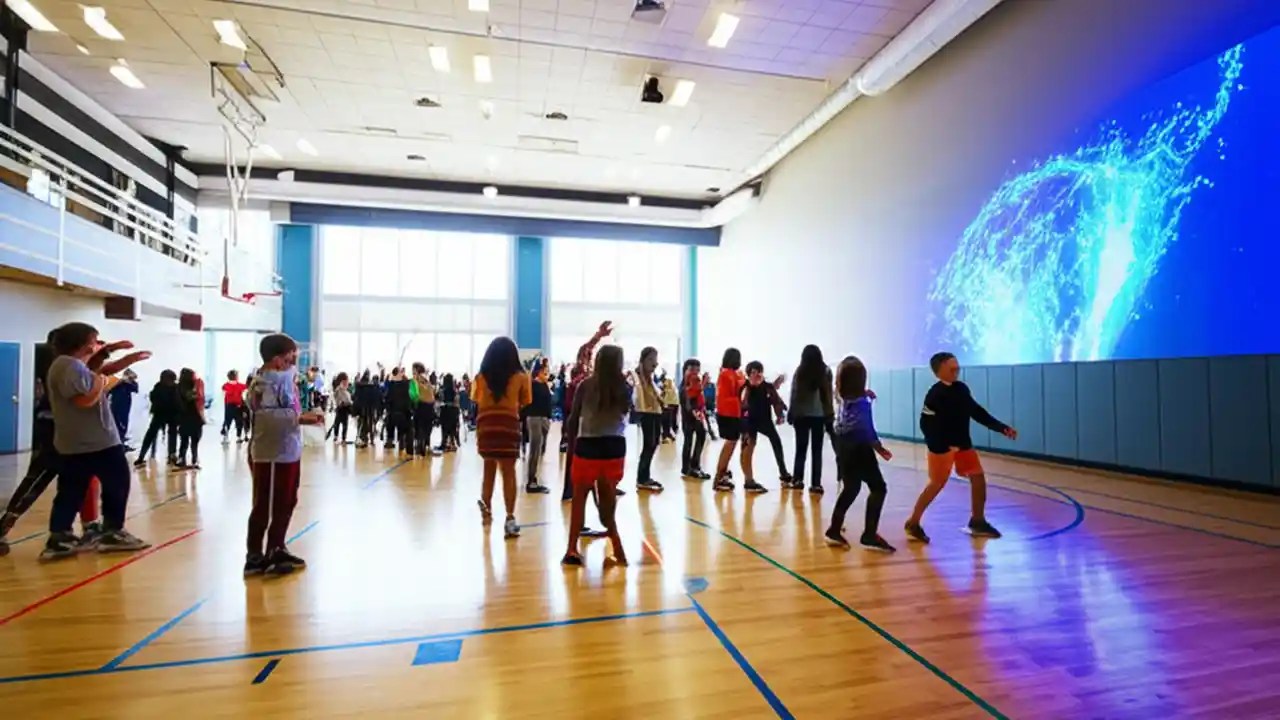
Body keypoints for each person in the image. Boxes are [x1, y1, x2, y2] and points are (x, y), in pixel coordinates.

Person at [40, 322, 152, 560]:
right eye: (94, 341)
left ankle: (60, 536)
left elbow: (96, 370)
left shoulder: (70, 364)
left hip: (79, 442)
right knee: (116, 483)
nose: (97, 345)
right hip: (95, 441)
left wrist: (122, 358)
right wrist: (104, 382)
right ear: (82, 344)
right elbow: (84, 399)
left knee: (72, 490)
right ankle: (111, 531)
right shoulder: (68, 366)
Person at [906, 352, 1017, 542]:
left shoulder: (961, 389)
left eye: (957, 366)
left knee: (978, 477)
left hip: (963, 445)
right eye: (951, 367)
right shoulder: (935, 394)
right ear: (939, 370)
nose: (956, 370)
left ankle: (978, 520)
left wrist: (1001, 428)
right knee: (936, 484)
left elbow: (977, 412)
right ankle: (913, 522)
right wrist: (941, 447)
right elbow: (926, 424)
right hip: (942, 448)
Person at [245, 333, 325, 576]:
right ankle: (256, 555)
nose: (294, 361)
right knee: (266, 504)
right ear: (278, 359)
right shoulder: (265, 383)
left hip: (286, 449)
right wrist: (301, 418)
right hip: (271, 454)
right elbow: (266, 417)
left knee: (286, 501)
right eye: (291, 357)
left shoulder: (282, 378)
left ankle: (276, 547)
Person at [562, 345, 630, 567]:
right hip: (614, 446)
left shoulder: (585, 385)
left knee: (579, 498)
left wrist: (570, 443)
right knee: (607, 498)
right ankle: (618, 547)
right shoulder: (624, 387)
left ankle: (572, 548)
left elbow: (573, 419)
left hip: (588, 444)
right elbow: (628, 413)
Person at [825, 356, 895, 552]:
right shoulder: (863, 403)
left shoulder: (841, 398)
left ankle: (834, 530)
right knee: (878, 488)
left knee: (851, 488)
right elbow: (867, 428)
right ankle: (869, 535)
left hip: (843, 445)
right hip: (860, 447)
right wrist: (879, 448)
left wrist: (863, 393)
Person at [0, 334, 58, 555]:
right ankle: (5, 524)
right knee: (38, 478)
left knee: (70, 484)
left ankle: (65, 530)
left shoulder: (59, 362)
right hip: (52, 429)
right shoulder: (54, 361)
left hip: (60, 429)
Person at [474, 337, 532, 538]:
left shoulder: (481, 377)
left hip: (486, 425)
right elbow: (526, 401)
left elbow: (476, 398)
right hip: (508, 425)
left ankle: (487, 508)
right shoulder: (521, 377)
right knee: (508, 471)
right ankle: (509, 517)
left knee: (488, 468)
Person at [789, 345, 835, 494]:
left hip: (801, 415)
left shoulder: (800, 371)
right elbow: (828, 395)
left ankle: (797, 479)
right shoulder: (825, 371)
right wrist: (830, 415)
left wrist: (792, 411)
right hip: (819, 416)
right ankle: (816, 484)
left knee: (800, 449)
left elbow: (794, 393)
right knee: (817, 450)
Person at [738, 361, 789, 493]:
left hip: (765, 421)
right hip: (749, 422)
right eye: (753, 372)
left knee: (776, 442)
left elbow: (776, 401)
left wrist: (780, 415)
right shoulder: (745, 388)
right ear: (748, 374)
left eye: (759, 372)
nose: (757, 375)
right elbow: (741, 406)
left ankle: (783, 473)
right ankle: (748, 479)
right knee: (747, 448)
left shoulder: (767, 387)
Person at [712, 349, 747, 492]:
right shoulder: (727, 374)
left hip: (731, 412)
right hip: (728, 413)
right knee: (730, 443)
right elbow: (734, 392)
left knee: (731, 443)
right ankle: (719, 476)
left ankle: (723, 472)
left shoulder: (729, 374)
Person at [632, 347, 665, 493]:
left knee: (654, 443)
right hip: (647, 412)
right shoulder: (638, 376)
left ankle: (646, 476)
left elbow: (654, 393)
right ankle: (642, 478)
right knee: (649, 443)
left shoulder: (650, 377)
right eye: (651, 359)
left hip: (655, 412)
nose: (654, 363)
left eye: (655, 359)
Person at [135, 369, 179, 466]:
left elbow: (153, 398)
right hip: (169, 414)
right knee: (171, 435)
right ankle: (171, 455)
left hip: (160, 414)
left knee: (151, 434)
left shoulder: (158, 386)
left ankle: (142, 456)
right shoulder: (174, 388)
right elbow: (177, 402)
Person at [524, 361, 553, 493]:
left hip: (543, 418)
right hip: (534, 418)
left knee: (539, 449)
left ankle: (534, 478)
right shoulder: (533, 385)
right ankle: (531, 480)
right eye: (544, 372)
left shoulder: (545, 385)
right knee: (534, 450)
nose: (546, 374)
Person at [679, 358, 710, 479]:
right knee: (689, 440)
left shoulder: (695, 383)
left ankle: (694, 465)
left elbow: (698, 396)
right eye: (692, 369)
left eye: (697, 370)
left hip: (696, 415)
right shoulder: (684, 386)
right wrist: (693, 412)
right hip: (689, 417)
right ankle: (688, 467)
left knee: (701, 435)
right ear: (685, 370)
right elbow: (687, 402)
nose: (695, 372)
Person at [175, 368, 206, 470]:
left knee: (184, 440)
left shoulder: (179, 386)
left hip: (184, 417)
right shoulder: (188, 386)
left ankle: (182, 458)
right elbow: (193, 397)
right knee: (194, 440)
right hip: (193, 416)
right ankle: (194, 459)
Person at [410, 363, 439, 457]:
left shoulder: (417, 380)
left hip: (422, 405)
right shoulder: (425, 380)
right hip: (428, 406)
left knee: (421, 425)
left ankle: (421, 445)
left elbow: (413, 394)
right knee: (426, 426)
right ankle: (424, 444)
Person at [383, 367, 412, 456]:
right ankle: (402, 443)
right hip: (403, 412)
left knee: (391, 426)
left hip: (393, 412)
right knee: (404, 428)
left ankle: (390, 441)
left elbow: (387, 398)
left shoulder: (390, 385)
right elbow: (408, 399)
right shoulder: (406, 384)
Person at [108, 369, 139, 451]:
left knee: (123, 425)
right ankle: (118, 445)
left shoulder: (129, 384)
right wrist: (121, 381)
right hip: (117, 407)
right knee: (117, 425)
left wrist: (129, 381)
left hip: (125, 408)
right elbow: (108, 390)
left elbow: (135, 389)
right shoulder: (118, 383)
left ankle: (121, 443)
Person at [220, 370, 247, 444]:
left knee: (227, 421)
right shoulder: (241, 385)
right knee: (239, 422)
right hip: (238, 406)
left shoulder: (225, 386)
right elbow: (245, 393)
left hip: (228, 406)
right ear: (236, 377)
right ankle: (238, 437)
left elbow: (223, 395)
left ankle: (225, 437)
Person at [438, 373, 461, 451]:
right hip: (453, 411)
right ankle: (452, 443)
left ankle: (444, 443)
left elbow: (440, 400)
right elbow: (457, 402)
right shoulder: (455, 391)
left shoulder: (442, 390)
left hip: (444, 410)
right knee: (452, 428)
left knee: (444, 428)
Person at [328, 372, 353, 444]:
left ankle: (342, 438)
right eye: (346, 380)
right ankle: (338, 437)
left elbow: (347, 399)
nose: (347, 382)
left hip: (343, 409)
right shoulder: (339, 389)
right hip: (341, 408)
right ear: (342, 381)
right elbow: (342, 399)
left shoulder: (344, 390)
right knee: (338, 423)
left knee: (342, 424)